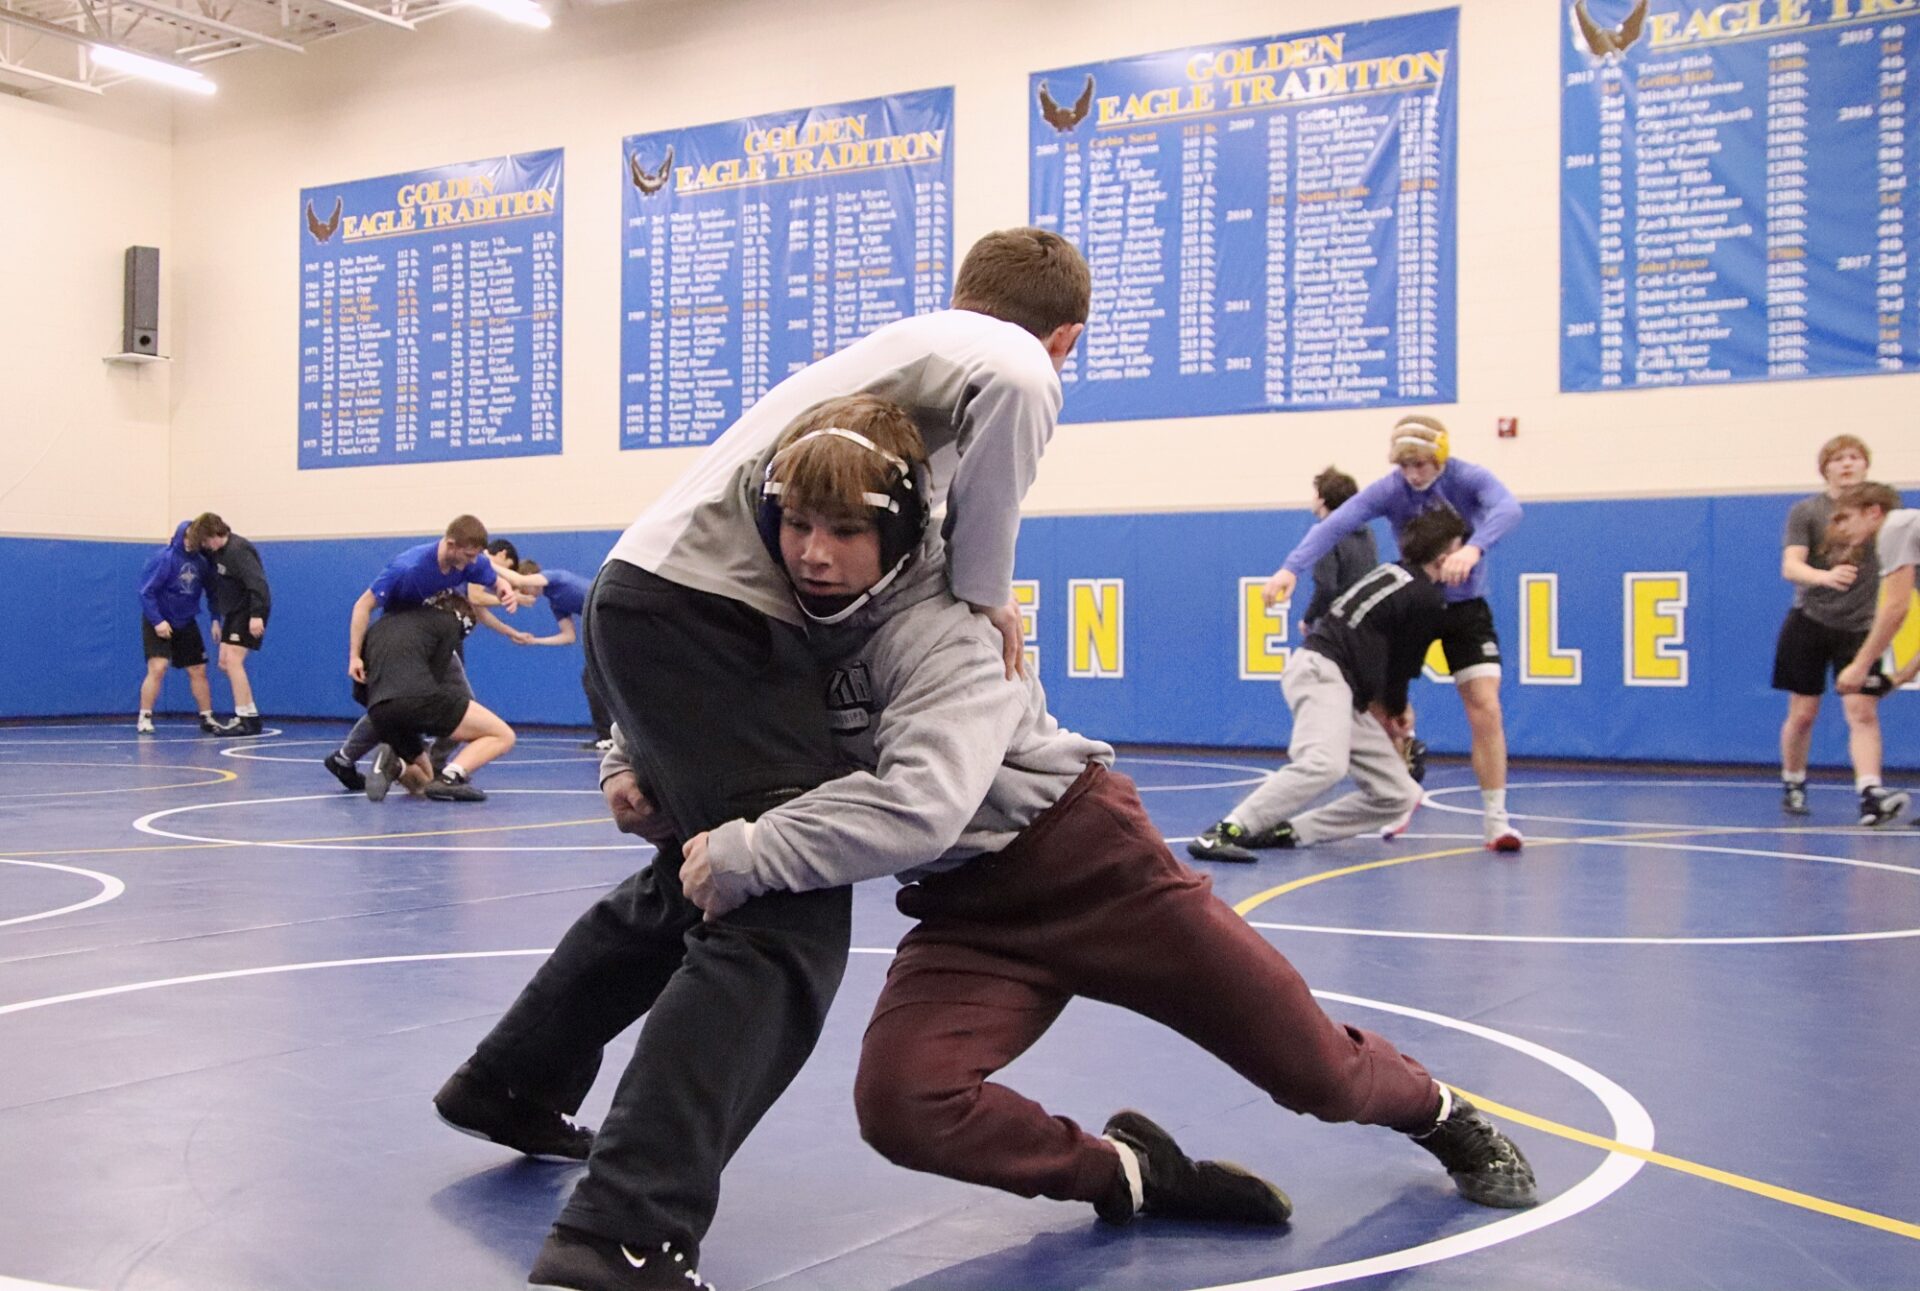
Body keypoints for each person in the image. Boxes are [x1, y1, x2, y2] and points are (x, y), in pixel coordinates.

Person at [669, 403, 1533, 1241]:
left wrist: (749, 851)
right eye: (799, 523)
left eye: (846, 530)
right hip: (971, 908)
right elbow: (658, 642)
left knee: (1316, 1071)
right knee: (903, 1104)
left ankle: (1444, 1112)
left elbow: (919, 807)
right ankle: (1128, 1172)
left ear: (898, 534)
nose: (814, 554)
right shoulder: (771, 602)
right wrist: (628, 754)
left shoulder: (951, 627)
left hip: (1093, 866)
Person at [432, 228, 1091, 1291]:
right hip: (701, 620)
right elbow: (1013, 399)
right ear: (1067, 339)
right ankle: (624, 1229)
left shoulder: (898, 357)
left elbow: (635, 590)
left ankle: (513, 1078)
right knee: (777, 910)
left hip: (647, 597)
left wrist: (623, 744)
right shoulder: (1012, 362)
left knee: (690, 876)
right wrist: (987, 593)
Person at [1262, 416, 1525, 851]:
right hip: (1413, 602)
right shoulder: (1391, 488)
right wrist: (1291, 567)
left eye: (1421, 465)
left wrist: (1476, 547)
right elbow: (1336, 523)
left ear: (1439, 457)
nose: (1413, 475)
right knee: (1386, 711)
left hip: (1463, 606)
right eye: (1405, 467)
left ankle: (1496, 820)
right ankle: (1398, 797)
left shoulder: (1467, 477)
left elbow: (1509, 508)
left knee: (1485, 706)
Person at [1191, 509, 1468, 861]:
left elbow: (1374, 649)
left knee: (1398, 793)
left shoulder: (1392, 574)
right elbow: (1400, 666)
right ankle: (1225, 831)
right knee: (1324, 763)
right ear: (1445, 556)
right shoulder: (1425, 597)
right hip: (1324, 673)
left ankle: (1288, 832)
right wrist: (1397, 712)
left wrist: (1384, 707)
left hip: (1339, 682)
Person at [321, 515, 517, 792]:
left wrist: (502, 588)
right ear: (450, 544)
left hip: (428, 640)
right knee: (415, 701)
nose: (473, 563)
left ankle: (398, 765)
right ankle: (439, 769)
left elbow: (490, 577)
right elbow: (362, 606)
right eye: (469, 556)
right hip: (403, 641)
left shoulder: (471, 561)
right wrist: (354, 655)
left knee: (403, 704)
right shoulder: (408, 568)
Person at [1772, 438, 1905, 826]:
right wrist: (1825, 576)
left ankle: (1870, 793)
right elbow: (1791, 566)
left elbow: (1899, 592)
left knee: (1862, 709)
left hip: (1862, 627)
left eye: (1855, 458)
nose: (1847, 464)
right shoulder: (1807, 512)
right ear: (1825, 468)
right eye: (1838, 459)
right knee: (1803, 712)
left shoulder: (1890, 519)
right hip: (1810, 620)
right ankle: (1794, 780)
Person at [356, 592, 516, 803]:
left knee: (425, 784)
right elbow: (439, 675)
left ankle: (398, 766)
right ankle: (451, 777)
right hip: (419, 699)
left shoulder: (379, 627)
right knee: (502, 735)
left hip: (379, 710)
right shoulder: (448, 622)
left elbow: (359, 690)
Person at [1833, 483, 1919, 825]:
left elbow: (1896, 607)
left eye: (1846, 518)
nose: (1840, 528)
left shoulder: (1896, 527)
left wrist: (1860, 664)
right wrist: (1910, 669)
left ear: (1873, 512)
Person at [136, 512, 238, 735]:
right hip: (160, 619)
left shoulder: (202, 562)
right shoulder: (165, 559)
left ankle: (207, 717)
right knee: (158, 667)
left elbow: (212, 592)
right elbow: (146, 593)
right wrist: (157, 621)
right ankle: (145, 716)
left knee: (198, 669)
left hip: (185, 620)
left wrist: (214, 620)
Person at [511, 559, 616, 750]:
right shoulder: (555, 603)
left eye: (522, 586)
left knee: (595, 681)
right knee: (592, 681)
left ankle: (611, 735)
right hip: (605, 629)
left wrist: (490, 565)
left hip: (613, 622)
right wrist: (534, 640)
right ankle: (608, 735)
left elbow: (517, 578)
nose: (522, 591)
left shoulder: (555, 577)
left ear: (530, 577)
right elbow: (568, 636)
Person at [209, 522, 273, 735]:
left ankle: (245, 717)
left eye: (206, 541)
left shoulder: (238, 550)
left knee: (234, 661)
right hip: (234, 612)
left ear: (215, 535)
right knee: (225, 663)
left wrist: (257, 615)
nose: (206, 547)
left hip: (247, 612)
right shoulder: (219, 551)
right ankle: (250, 715)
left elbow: (258, 583)